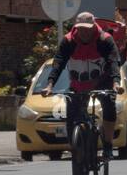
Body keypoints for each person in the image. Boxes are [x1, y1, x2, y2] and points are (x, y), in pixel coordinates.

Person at [44, 11, 121, 153]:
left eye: (87, 28)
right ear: (76, 27)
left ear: (93, 27)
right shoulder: (68, 41)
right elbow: (58, 63)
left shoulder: (105, 40)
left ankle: (108, 144)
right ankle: (77, 150)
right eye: (80, 28)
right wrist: (50, 85)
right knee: (72, 114)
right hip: (78, 84)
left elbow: (113, 62)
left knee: (109, 105)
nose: (83, 32)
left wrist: (116, 82)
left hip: (102, 82)